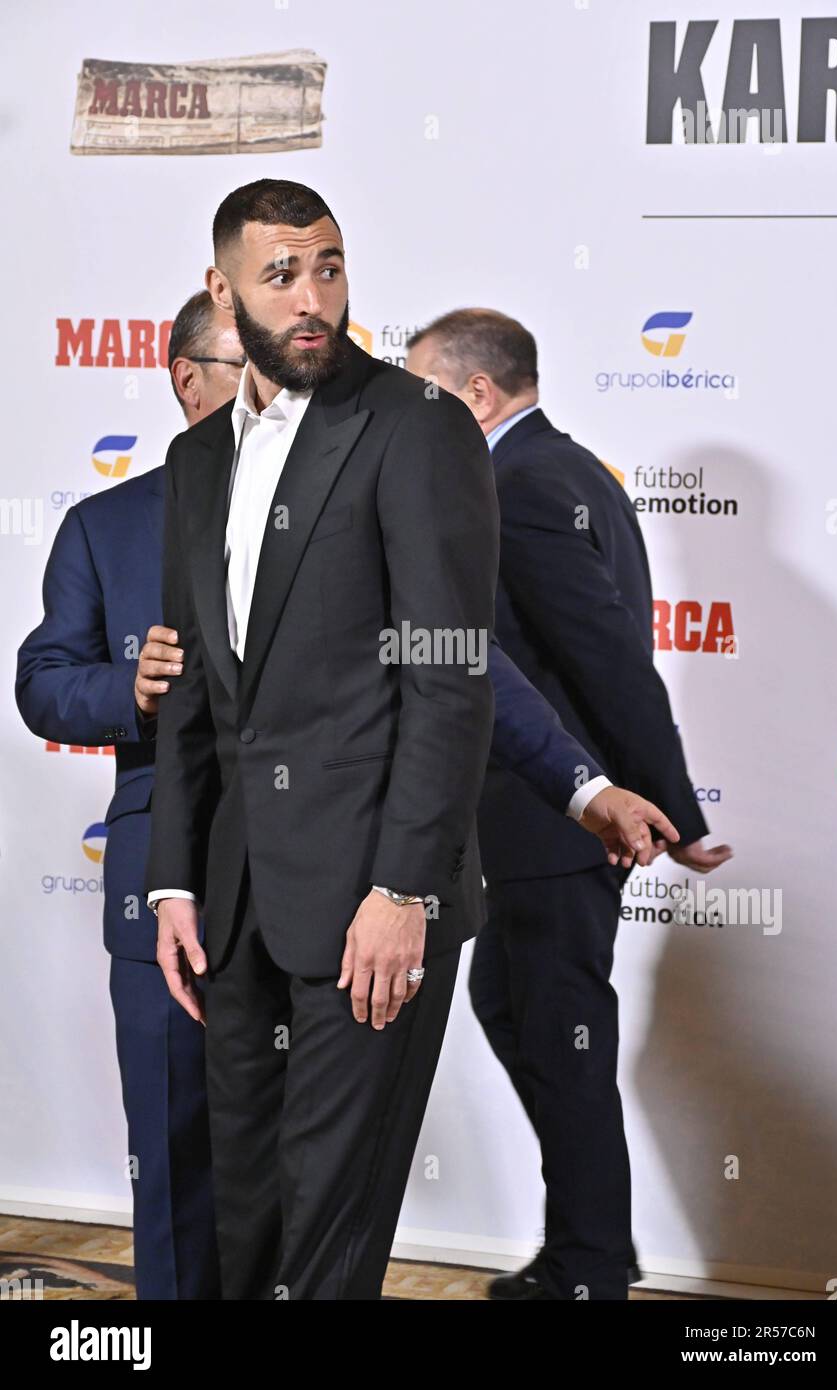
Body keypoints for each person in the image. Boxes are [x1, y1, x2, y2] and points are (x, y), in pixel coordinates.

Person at [143, 178, 502, 1301]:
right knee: (245, 1206)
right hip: (235, 903)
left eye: (330, 268)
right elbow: (198, 698)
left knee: (328, 1227)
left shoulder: (415, 427)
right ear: (223, 289)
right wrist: (171, 884)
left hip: (371, 903)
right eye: (282, 275)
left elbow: (447, 683)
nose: (313, 299)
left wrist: (405, 888)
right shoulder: (199, 459)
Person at [407, 309, 732, 1301]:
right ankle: (583, 1248)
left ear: (475, 393)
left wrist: (666, 806)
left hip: (556, 822)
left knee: (558, 1033)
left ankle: (590, 1265)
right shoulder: (569, 469)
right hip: (548, 819)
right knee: (520, 1008)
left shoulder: (525, 484)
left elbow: (605, 659)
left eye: (423, 393)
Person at [14, 291, 245, 1298]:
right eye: (248, 363)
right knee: (174, 1154)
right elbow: (41, 679)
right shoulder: (106, 526)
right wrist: (129, 689)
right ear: (186, 379)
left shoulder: (340, 510)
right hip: (162, 880)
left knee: (303, 1166)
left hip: (313, 877)